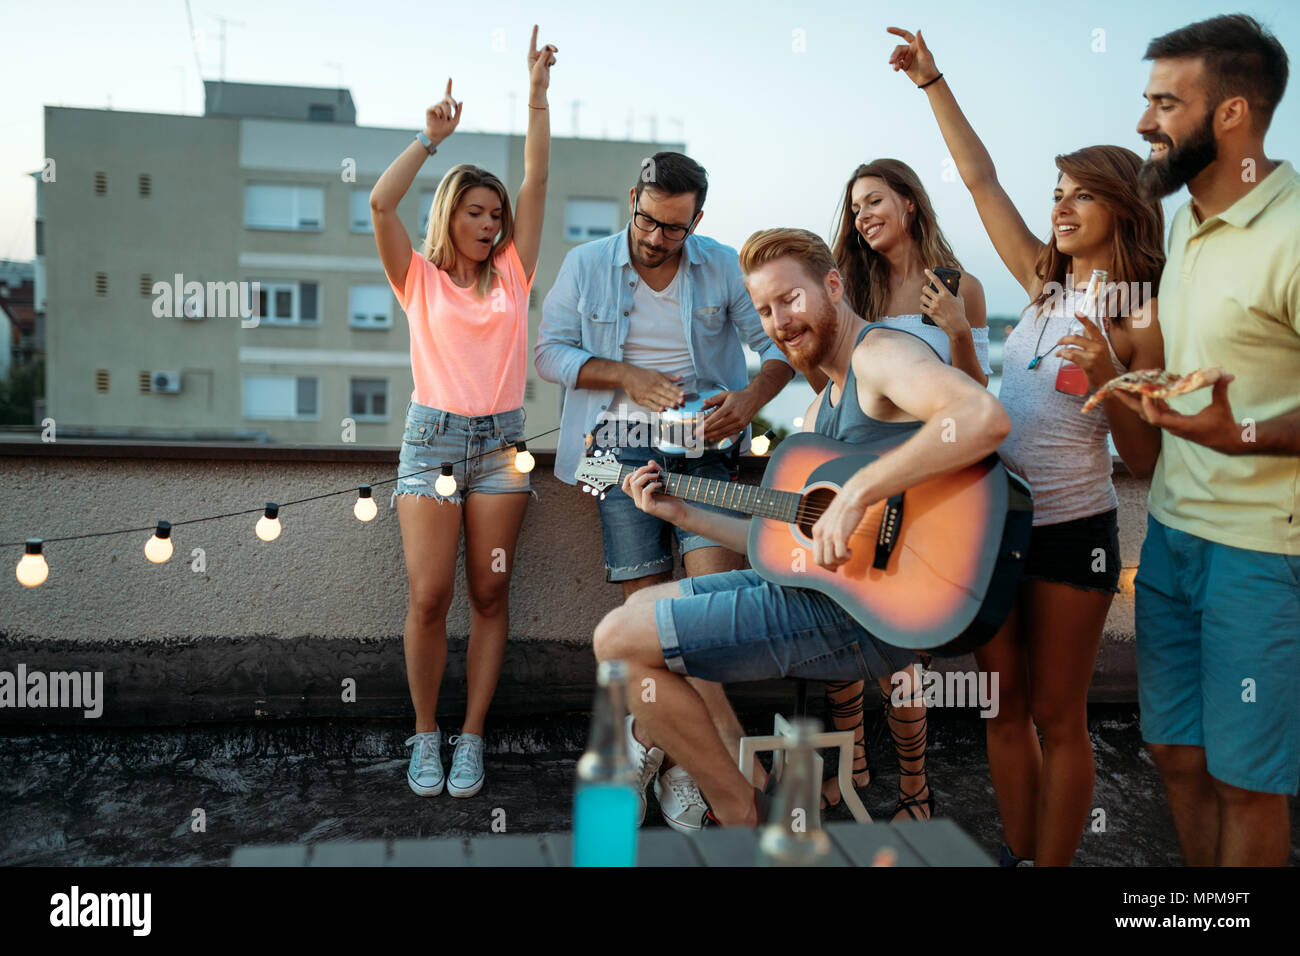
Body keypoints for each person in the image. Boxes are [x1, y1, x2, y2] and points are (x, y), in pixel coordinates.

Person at [592, 227, 1012, 827]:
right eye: (764, 309)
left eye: (790, 299)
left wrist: (864, 490)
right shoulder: (819, 410)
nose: (779, 321)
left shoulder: (880, 355)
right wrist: (681, 513)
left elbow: (983, 415)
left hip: (868, 615)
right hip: (812, 593)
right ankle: (740, 800)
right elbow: (779, 545)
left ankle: (739, 810)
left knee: (622, 643)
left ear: (833, 286)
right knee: (616, 638)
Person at [887, 25, 1166, 865]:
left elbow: (1144, 464)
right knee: (1001, 713)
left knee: (1059, 716)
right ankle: (1018, 857)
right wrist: (934, 83)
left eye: (1082, 193)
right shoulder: (1043, 288)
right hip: (993, 521)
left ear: (1123, 205)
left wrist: (1113, 371)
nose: (1061, 206)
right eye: (1058, 191)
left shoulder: (1139, 313)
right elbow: (981, 182)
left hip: (1074, 529)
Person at [537, 152, 797, 832]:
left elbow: (776, 349)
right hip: (612, 451)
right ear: (633, 199)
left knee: (703, 621)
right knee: (648, 619)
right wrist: (624, 374)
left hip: (705, 446)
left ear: (698, 221)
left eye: (675, 228)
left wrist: (749, 399)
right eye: (648, 220)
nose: (657, 238)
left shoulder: (721, 263)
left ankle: (671, 752)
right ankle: (702, 763)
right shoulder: (586, 265)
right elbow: (548, 354)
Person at [1121, 14, 1297, 866]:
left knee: (1246, 780)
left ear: (1231, 115)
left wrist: (1246, 434)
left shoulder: (1296, 229)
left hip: (1263, 554)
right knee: (1176, 757)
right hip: (1171, 537)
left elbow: (1246, 415)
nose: (1145, 121)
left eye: (1164, 101)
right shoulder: (1186, 221)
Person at [370, 27, 557, 799]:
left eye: (496, 214)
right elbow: (380, 203)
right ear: (451, 214)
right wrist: (427, 140)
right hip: (432, 444)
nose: (489, 224)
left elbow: (538, 176)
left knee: (488, 594)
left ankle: (472, 738)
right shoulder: (418, 279)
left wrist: (537, 93)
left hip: (501, 451)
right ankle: (424, 735)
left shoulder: (513, 274)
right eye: (476, 212)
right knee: (428, 597)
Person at [816, 157, 993, 819]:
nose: (862, 216)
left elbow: (978, 398)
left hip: (924, 485)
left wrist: (954, 330)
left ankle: (916, 787)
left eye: (874, 201)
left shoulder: (960, 286)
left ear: (911, 204)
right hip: (853, 477)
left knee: (901, 640)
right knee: (831, 615)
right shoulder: (849, 293)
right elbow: (830, 383)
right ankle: (853, 761)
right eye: (855, 207)